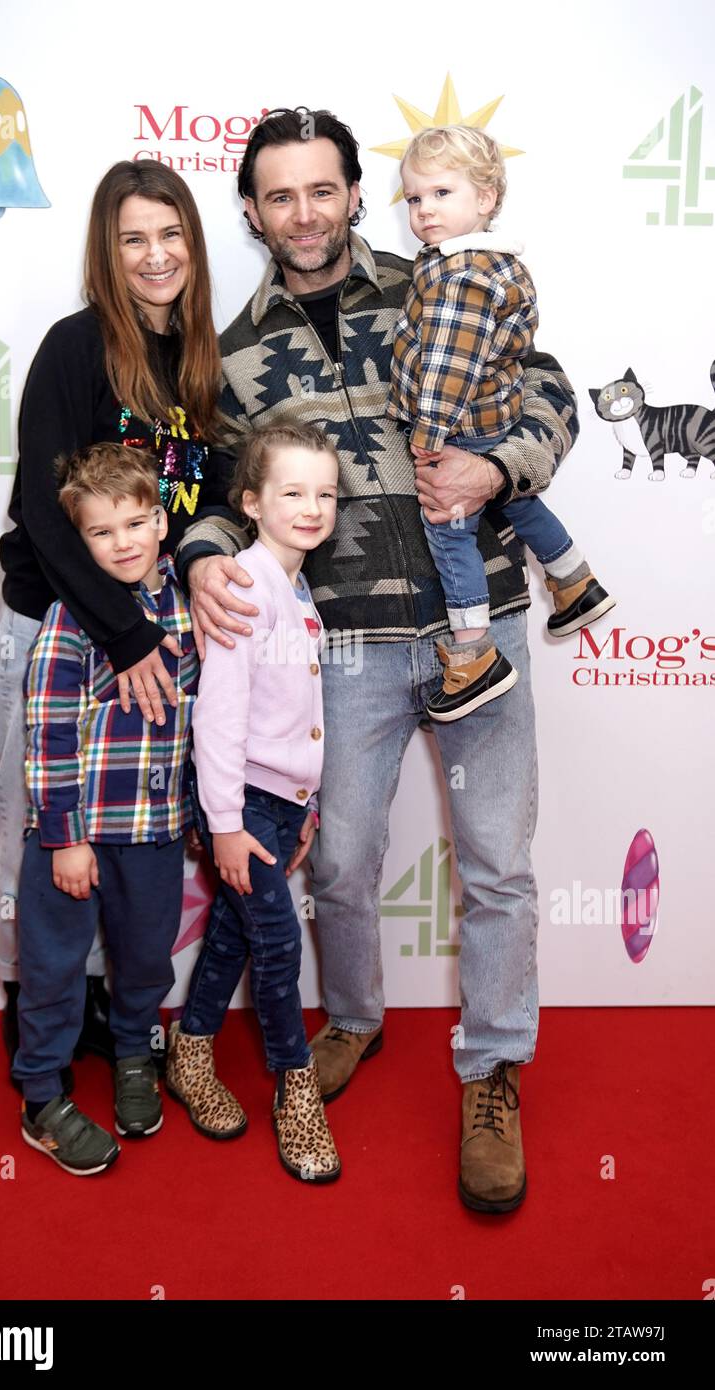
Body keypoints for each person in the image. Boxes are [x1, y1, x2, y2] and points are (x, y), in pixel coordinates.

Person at [175, 107, 582, 1214]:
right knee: (340, 862)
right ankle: (352, 1016)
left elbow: (551, 393)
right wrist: (209, 558)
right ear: (252, 209)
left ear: (357, 193)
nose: (304, 213)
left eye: (324, 189)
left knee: (496, 860)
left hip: (479, 621)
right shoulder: (231, 346)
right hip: (334, 645)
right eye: (279, 195)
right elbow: (217, 495)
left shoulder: (444, 279)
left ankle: (492, 1067)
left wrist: (500, 467)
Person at [0, 160, 234, 1084]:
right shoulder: (75, 345)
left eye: (170, 234)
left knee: (130, 838)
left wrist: (167, 622)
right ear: (107, 249)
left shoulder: (200, 357)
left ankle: (105, 1012)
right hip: (60, 627)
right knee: (41, 825)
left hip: (150, 635)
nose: (155, 254)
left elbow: (198, 508)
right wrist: (122, 634)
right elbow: (45, 511)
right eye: (134, 237)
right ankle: (32, 1013)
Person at [13, 443, 198, 1174]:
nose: (121, 542)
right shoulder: (71, 617)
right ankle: (41, 1096)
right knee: (55, 968)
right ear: (79, 539)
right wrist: (63, 836)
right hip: (76, 836)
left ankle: (131, 1055)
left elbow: (198, 719)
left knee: (146, 959)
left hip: (152, 834)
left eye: (134, 523)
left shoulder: (186, 609)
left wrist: (190, 813)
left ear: (160, 522)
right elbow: (49, 729)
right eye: (101, 531)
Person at [387, 126, 614, 721]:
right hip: (495, 421)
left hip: (460, 427)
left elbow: (447, 364)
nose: (424, 210)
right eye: (414, 199)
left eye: (441, 193)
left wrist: (427, 432)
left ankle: (472, 654)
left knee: (447, 526)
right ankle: (573, 579)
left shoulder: (463, 274)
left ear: (486, 197)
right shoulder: (479, 262)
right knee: (518, 502)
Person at [168, 423, 342, 1183]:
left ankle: (190, 1049)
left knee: (237, 938)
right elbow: (220, 717)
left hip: (279, 803)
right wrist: (227, 825)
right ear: (251, 502)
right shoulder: (243, 583)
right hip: (239, 801)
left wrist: (304, 806)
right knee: (275, 944)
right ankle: (295, 1089)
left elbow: (299, 712)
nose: (311, 507)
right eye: (292, 492)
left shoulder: (297, 586)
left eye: (325, 493)